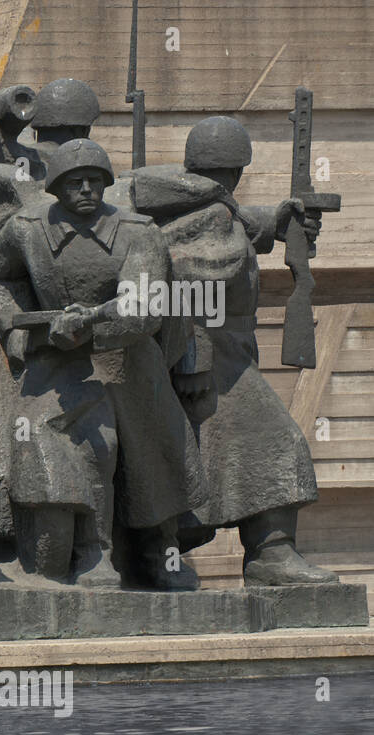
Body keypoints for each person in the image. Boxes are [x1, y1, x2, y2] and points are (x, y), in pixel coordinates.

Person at [0, 139, 206, 588]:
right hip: (59, 362)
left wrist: (90, 329)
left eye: (95, 181)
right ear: (57, 188)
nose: (87, 189)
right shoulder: (26, 229)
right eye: (75, 182)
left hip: (129, 357)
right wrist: (16, 328)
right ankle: (93, 553)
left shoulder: (140, 232)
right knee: (88, 449)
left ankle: (161, 553)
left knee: (153, 453)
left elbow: (143, 308)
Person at [118, 116, 337, 585]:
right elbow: (184, 279)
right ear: (238, 168)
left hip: (220, 355)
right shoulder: (211, 216)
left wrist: (273, 220)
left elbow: (229, 227)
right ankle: (270, 555)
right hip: (211, 360)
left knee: (202, 459)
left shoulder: (201, 208)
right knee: (279, 442)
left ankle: (231, 555)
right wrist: (194, 357)